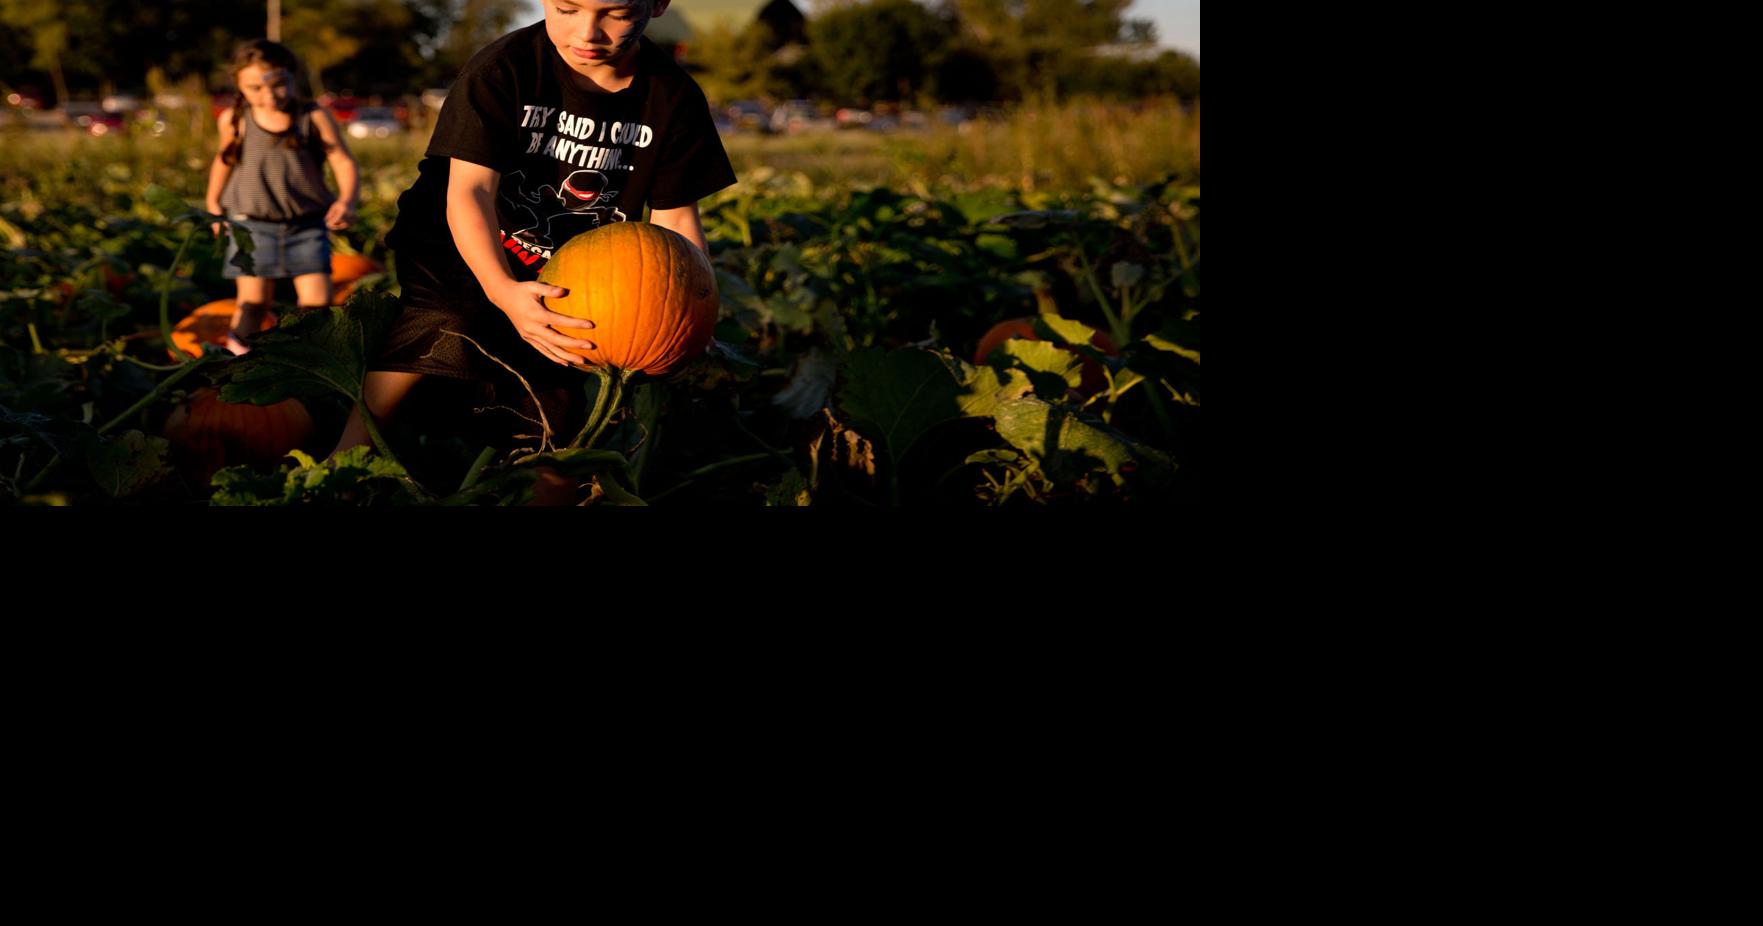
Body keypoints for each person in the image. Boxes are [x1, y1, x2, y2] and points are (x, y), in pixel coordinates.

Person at [331, 0, 735, 455]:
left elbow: (676, 220)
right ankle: (347, 456)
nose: (588, 32)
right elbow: (470, 193)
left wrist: (690, 316)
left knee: (552, 400)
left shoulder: (672, 97)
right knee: (445, 324)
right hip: (457, 238)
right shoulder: (504, 69)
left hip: (564, 266)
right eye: (566, 9)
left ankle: (529, 474)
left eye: (616, 15)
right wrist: (502, 290)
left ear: (657, 5)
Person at [205, 39, 360, 355]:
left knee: (316, 304)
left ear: (292, 77)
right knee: (253, 302)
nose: (268, 95)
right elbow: (224, 159)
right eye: (255, 88)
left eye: (279, 85)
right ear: (239, 84)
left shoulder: (312, 117)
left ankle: (305, 364)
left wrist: (347, 199)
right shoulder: (235, 120)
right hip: (251, 225)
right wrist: (212, 205)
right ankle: (239, 363)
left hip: (306, 224)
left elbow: (342, 159)